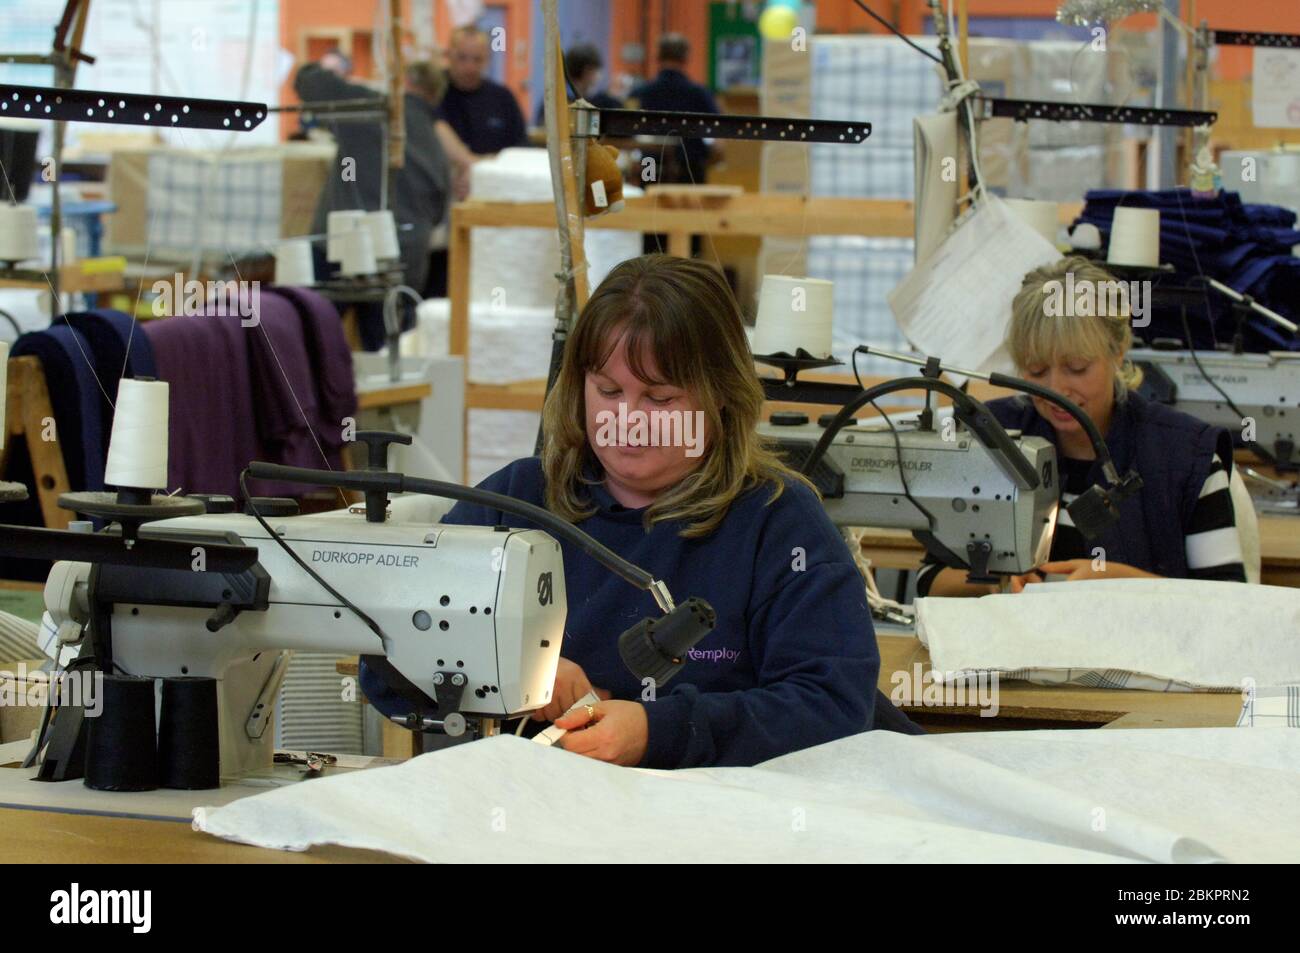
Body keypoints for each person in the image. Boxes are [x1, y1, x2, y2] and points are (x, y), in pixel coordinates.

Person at [361, 255, 911, 769]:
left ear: (721, 395)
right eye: (607, 390)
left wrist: (658, 730)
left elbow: (831, 706)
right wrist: (507, 669)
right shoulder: (518, 503)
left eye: (659, 399)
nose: (627, 419)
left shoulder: (778, 524)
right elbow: (387, 663)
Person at [916, 256, 1247, 598]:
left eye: (1077, 368)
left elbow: (1230, 601)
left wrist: (1123, 584)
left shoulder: (1185, 456)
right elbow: (929, 577)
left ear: (1118, 351)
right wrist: (1000, 583)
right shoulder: (988, 438)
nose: (1056, 390)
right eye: (1037, 371)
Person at [294, 58, 452, 348]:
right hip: (403, 261)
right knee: (388, 360)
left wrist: (335, 72)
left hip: (340, 249)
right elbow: (439, 211)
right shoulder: (436, 147)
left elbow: (308, 80)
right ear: (435, 96)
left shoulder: (371, 109)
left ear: (402, 83)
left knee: (305, 344)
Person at [629, 33, 719, 185]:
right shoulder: (699, 94)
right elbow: (717, 134)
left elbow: (629, 132)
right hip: (689, 167)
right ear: (686, 57)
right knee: (689, 206)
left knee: (649, 202)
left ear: (658, 56)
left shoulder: (640, 93)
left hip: (650, 164)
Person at [436, 25, 527, 156]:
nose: (470, 67)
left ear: (487, 59)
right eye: (462, 57)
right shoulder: (433, 94)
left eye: (477, 59)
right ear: (448, 55)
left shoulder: (502, 98)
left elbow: (521, 146)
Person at [533, 43, 623, 125]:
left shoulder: (552, 97)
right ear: (588, 71)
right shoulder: (559, 100)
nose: (598, 75)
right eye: (596, 70)